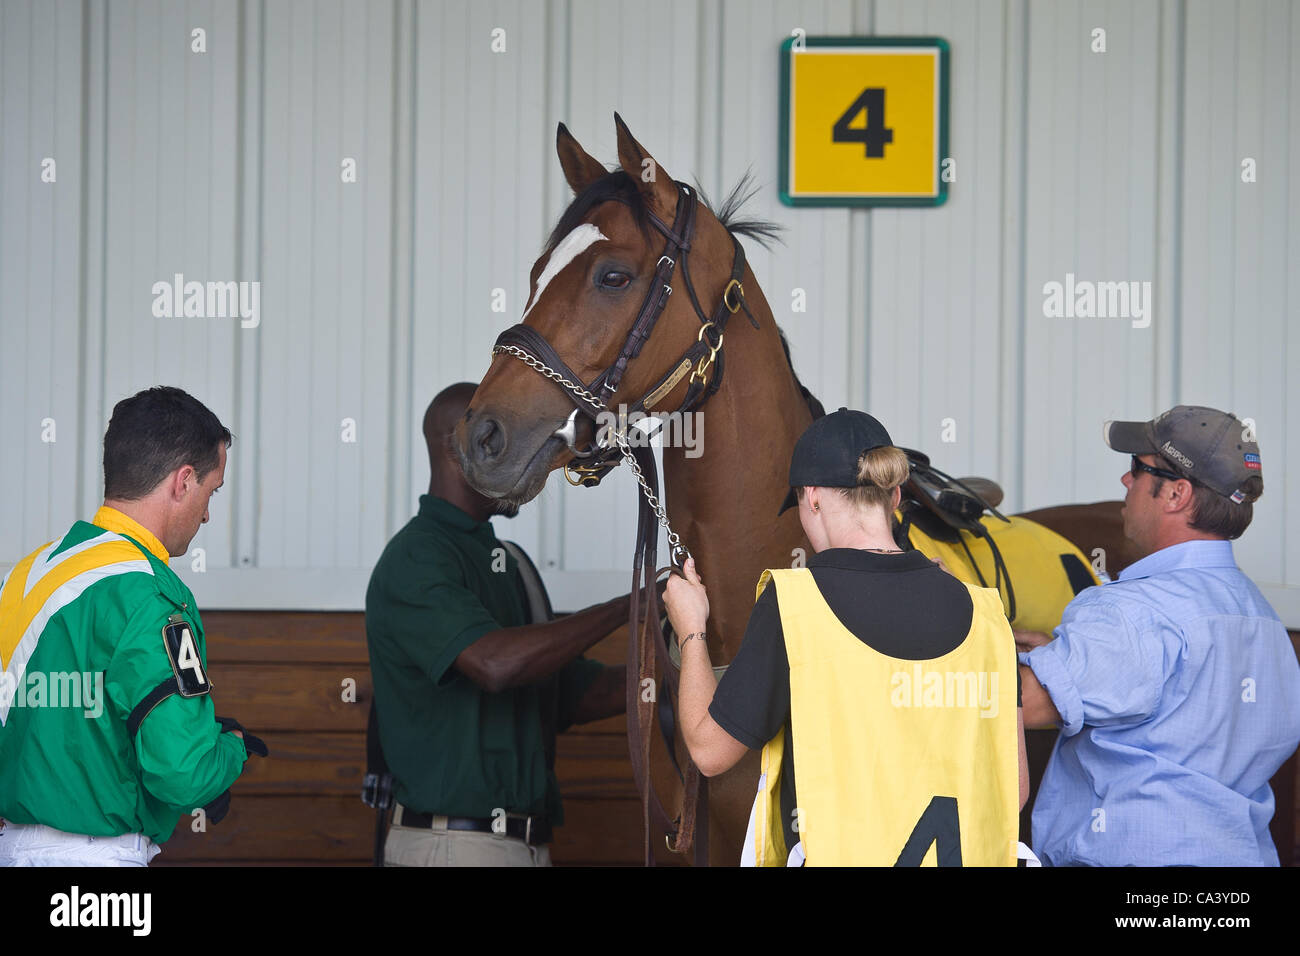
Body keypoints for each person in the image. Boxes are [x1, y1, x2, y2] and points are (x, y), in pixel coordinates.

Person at [664, 408, 1028, 866]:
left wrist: (691, 630)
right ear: (895, 496)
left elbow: (709, 751)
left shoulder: (795, 605)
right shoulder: (987, 615)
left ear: (812, 498)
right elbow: (1012, 790)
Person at [1018, 405, 1300, 866]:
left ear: (1176, 494)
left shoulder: (1130, 611)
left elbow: (1017, 702)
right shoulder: (1264, 621)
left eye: (1137, 468)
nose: (1126, 482)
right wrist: (1064, 659)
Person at [365, 382, 630, 867]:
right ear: (455, 446)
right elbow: (494, 663)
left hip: (523, 845)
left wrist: (679, 670)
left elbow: (568, 695)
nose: (522, 457)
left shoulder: (510, 564)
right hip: (453, 847)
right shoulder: (416, 558)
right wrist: (629, 606)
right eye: (500, 440)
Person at [0, 386, 264, 867]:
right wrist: (231, 750)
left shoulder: (24, 575)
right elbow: (182, 773)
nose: (207, 513)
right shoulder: (151, 595)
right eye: (211, 491)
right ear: (183, 482)